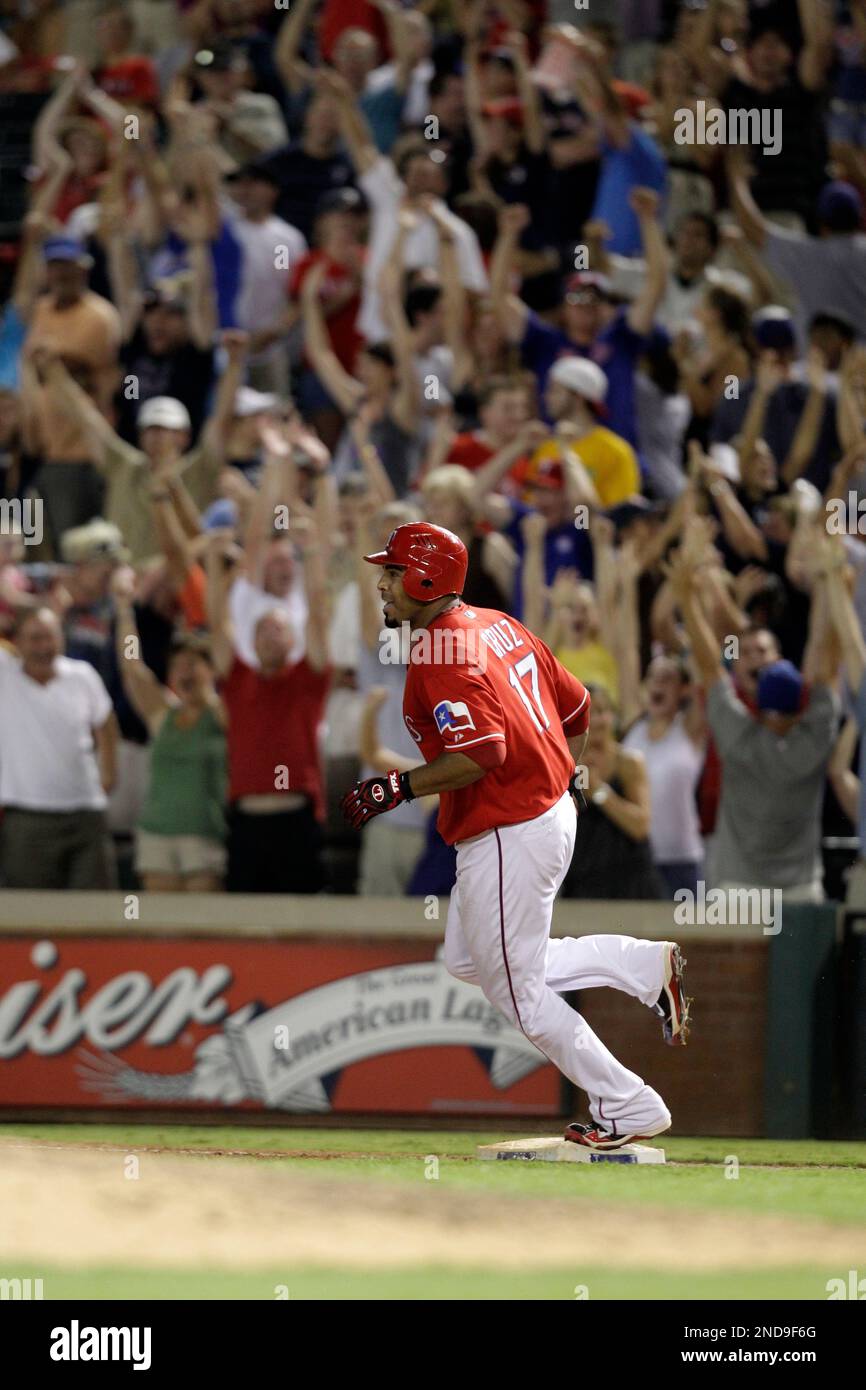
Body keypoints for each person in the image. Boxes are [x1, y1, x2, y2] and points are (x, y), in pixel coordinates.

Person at [341, 521, 690, 1152]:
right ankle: (642, 965)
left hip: (508, 826)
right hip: (537, 815)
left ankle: (628, 1103)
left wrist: (397, 788)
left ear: (424, 577)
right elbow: (577, 706)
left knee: (519, 994)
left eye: (392, 572)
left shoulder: (440, 648)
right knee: (472, 960)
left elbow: (481, 752)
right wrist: (566, 777)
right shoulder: (499, 624)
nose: (383, 584)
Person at [112, 568, 227, 892]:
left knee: (203, 930)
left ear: (211, 670)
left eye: (194, 664)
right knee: (160, 933)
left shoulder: (222, 716)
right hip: (155, 835)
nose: (185, 672)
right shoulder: (162, 714)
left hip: (203, 836)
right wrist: (124, 607)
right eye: (178, 666)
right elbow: (131, 663)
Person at [0, 606, 118, 889]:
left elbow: (107, 723)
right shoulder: (4, 676)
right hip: (26, 816)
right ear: (17, 641)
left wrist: (109, 773)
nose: (44, 647)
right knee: (32, 914)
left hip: (86, 813)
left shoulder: (82, 675)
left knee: (95, 913)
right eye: (35, 638)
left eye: (50, 637)